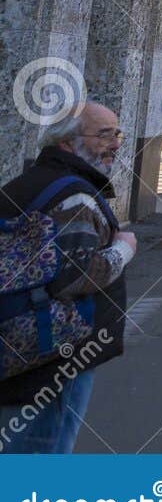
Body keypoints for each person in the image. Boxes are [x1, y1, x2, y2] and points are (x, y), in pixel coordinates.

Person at [0, 103, 136, 453]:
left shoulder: (26, 183)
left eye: (117, 134)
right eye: (104, 135)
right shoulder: (74, 196)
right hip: (59, 351)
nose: (115, 144)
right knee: (46, 449)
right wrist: (124, 249)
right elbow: (77, 276)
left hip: (17, 338)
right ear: (66, 141)